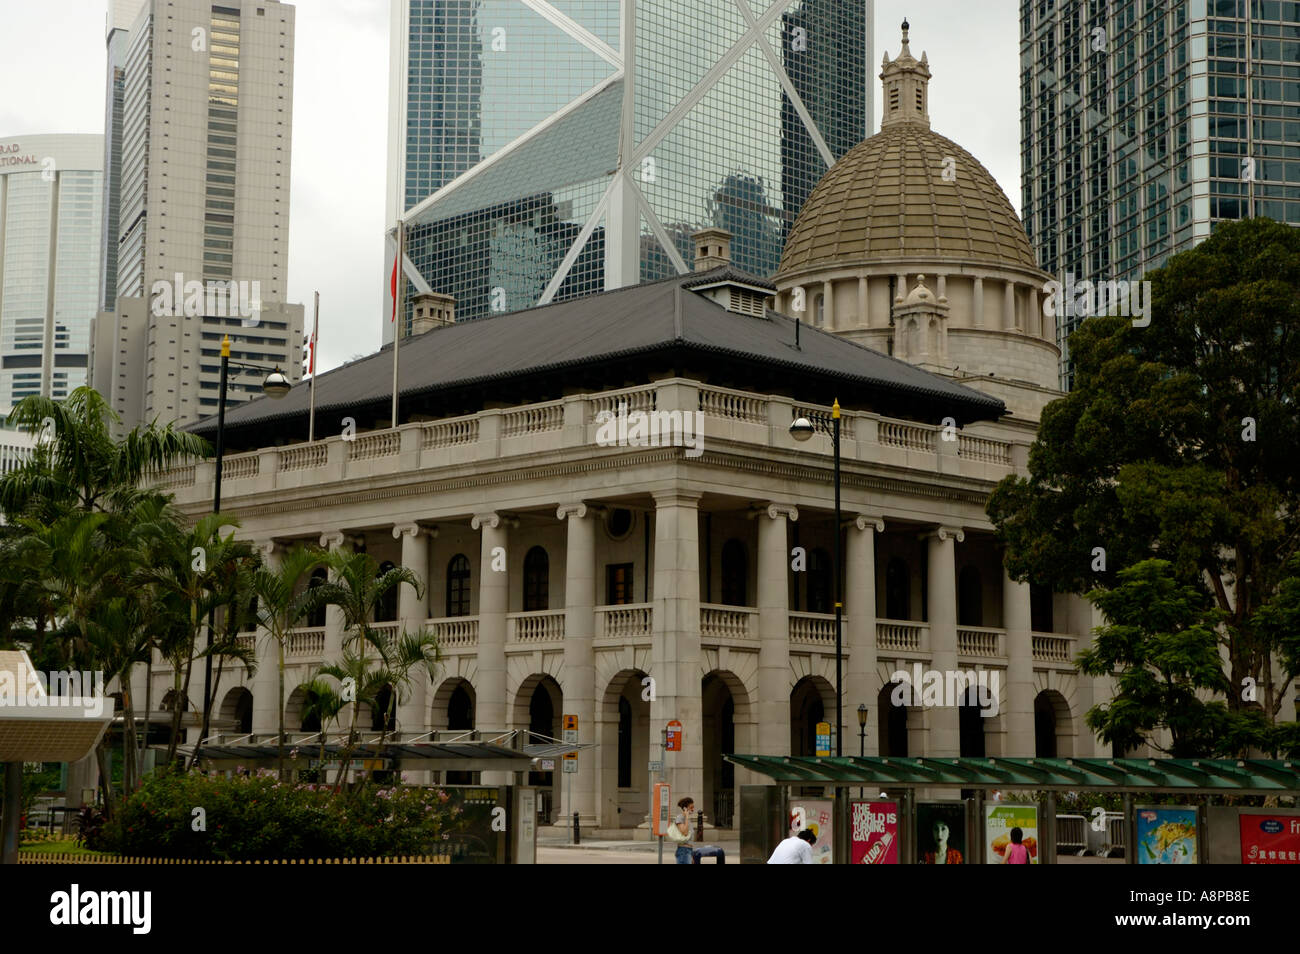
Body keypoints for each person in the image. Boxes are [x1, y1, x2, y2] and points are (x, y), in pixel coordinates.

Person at [667, 796, 695, 864]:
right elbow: (685, 833)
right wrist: (687, 817)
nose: (693, 809)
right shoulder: (680, 818)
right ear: (685, 808)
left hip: (688, 850)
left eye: (693, 807)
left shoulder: (687, 820)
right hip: (683, 851)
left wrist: (692, 855)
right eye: (691, 807)